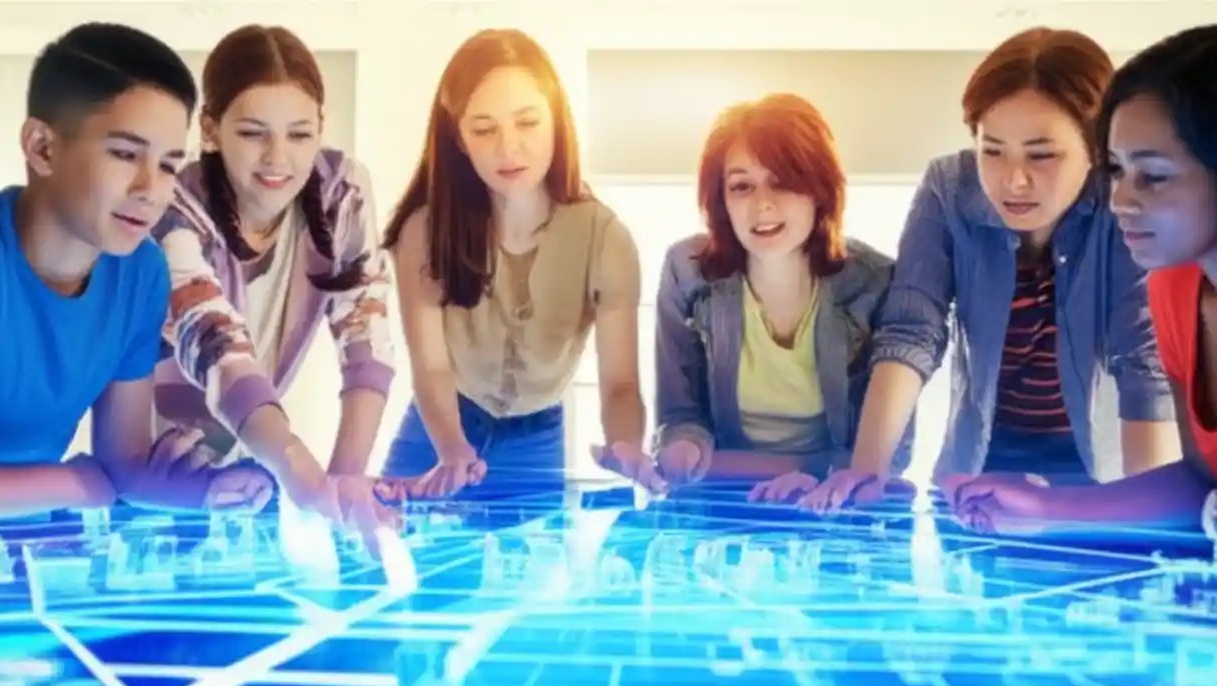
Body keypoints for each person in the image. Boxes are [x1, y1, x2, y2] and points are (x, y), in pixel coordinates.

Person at [799, 26, 1181, 513]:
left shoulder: (1122, 204)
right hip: (978, 463)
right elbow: (912, 331)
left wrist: (1142, 516)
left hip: (1098, 468)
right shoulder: (948, 190)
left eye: (1042, 155)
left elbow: (1142, 363)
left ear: (1096, 148)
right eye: (992, 150)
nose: (1014, 180)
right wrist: (867, 471)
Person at [0, 23, 271, 522]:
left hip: (19, 544)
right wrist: (68, 482)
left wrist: (208, 489)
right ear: (42, 147)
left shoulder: (141, 273)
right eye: (125, 154)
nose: (150, 190)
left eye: (168, 165)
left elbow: (123, 465)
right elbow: (92, 482)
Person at [947, 24, 1217, 536]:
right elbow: (1200, 479)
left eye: (1153, 176)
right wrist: (1045, 507)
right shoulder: (1173, 290)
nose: (1121, 200)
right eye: (1114, 171)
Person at [381, 28, 660, 501]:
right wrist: (452, 450)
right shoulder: (424, 232)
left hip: (538, 435)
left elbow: (620, 383)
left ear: (557, 122)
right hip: (440, 424)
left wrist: (626, 445)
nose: (509, 148)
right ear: (459, 139)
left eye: (528, 122)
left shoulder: (607, 240)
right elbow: (431, 367)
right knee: (379, 541)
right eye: (484, 129)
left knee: (528, 552)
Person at [151, 25, 396, 534]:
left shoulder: (342, 193)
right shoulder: (171, 208)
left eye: (300, 134)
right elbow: (215, 345)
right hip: (163, 471)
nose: (278, 158)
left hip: (258, 466)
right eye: (252, 133)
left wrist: (345, 479)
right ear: (211, 129)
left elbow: (365, 335)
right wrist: (301, 473)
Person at [652, 93, 907, 500]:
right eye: (742, 186)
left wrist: (812, 475)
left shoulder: (874, 284)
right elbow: (679, 415)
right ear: (721, 200)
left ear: (819, 191)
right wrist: (679, 452)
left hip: (833, 499)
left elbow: (893, 450)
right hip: (724, 497)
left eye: (783, 182)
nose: (763, 205)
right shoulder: (688, 272)